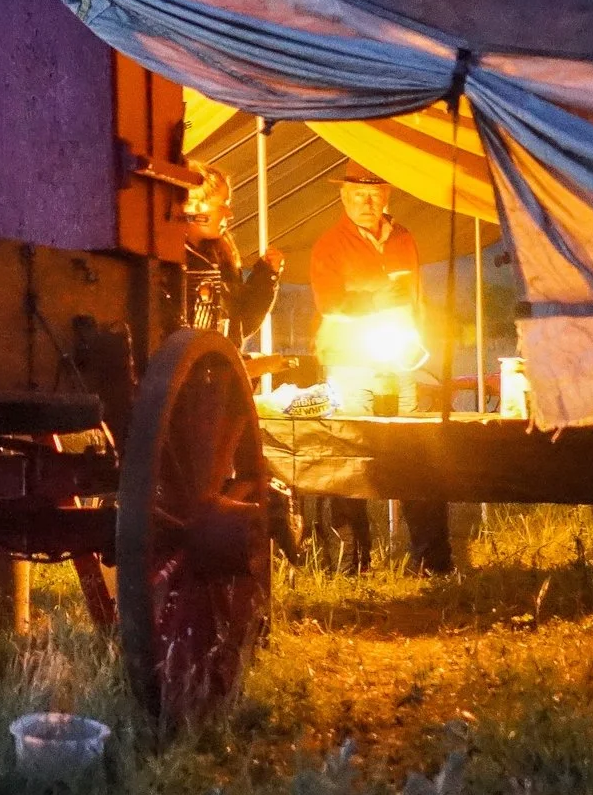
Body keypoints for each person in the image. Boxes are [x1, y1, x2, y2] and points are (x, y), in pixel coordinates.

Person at [305, 162, 453, 575]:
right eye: (358, 195)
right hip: (351, 361)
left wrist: (421, 341)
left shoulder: (403, 238)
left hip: (399, 358)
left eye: (374, 194)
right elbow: (330, 303)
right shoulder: (330, 244)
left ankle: (431, 559)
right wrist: (376, 300)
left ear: (387, 195)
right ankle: (353, 560)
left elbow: (417, 297)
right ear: (344, 197)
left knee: (414, 451)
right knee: (352, 454)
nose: (367, 202)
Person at [183, 165, 282, 345]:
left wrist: (266, 276)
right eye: (223, 205)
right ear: (195, 206)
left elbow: (241, 322)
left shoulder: (221, 255)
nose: (229, 214)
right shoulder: (171, 261)